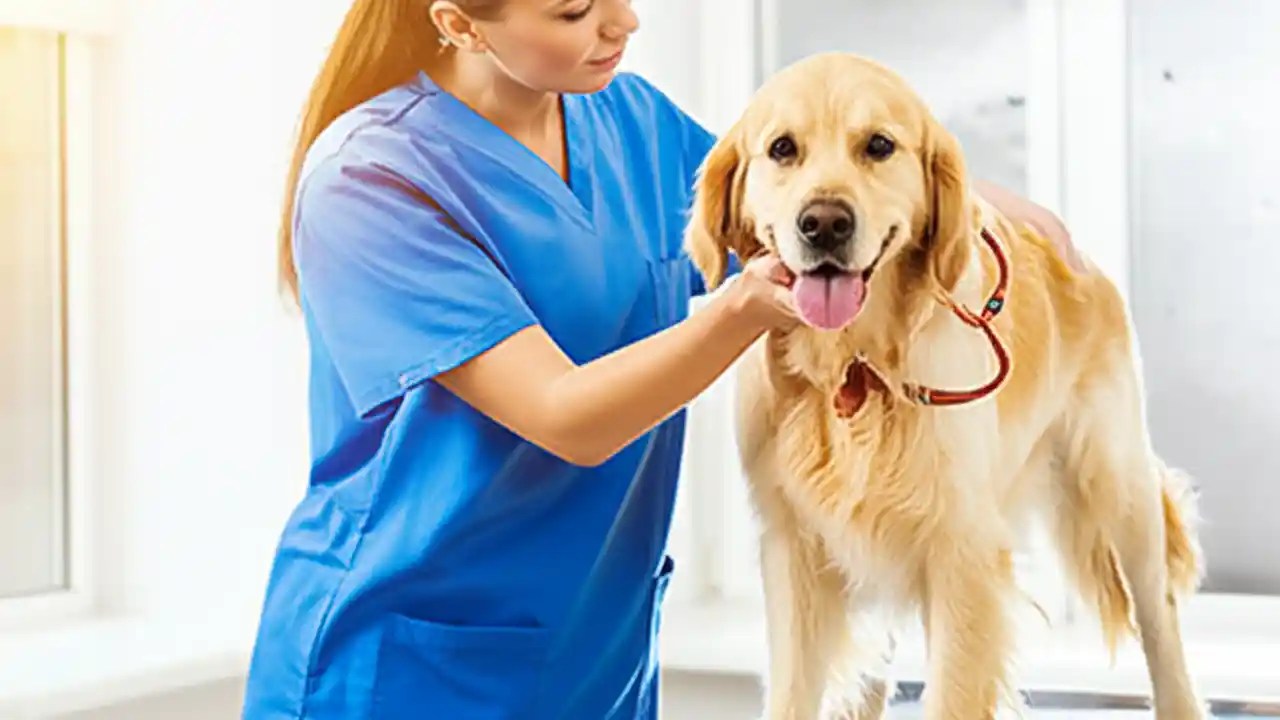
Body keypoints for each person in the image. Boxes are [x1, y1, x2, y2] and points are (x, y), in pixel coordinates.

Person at [241, 1, 1081, 718]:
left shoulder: (626, 117)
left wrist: (978, 203)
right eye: (574, 10)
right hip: (404, 671)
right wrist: (739, 311)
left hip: (593, 660)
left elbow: (796, 195)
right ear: (461, 23)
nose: (623, 20)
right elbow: (566, 417)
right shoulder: (375, 179)